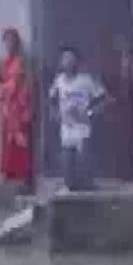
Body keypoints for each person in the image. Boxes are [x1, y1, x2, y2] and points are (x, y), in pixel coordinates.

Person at [49, 46, 107, 192]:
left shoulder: (86, 80)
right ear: (61, 62)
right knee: (68, 170)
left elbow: (103, 100)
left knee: (84, 168)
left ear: (76, 61)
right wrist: (55, 114)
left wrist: (89, 113)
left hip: (83, 130)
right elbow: (51, 99)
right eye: (65, 59)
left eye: (71, 59)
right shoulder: (59, 80)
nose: (68, 62)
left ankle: (87, 196)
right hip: (66, 130)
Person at [0, 27, 35, 188]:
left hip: (20, 105)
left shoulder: (23, 61)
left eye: (12, 40)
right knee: (7, 140)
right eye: (7, 40)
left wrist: (28, 107)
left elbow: (29, 83)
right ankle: (8, 172)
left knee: (21, 139)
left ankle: (23, 175)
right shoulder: (0, 63)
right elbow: (0, 82)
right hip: (7, 106)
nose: (9, 44)